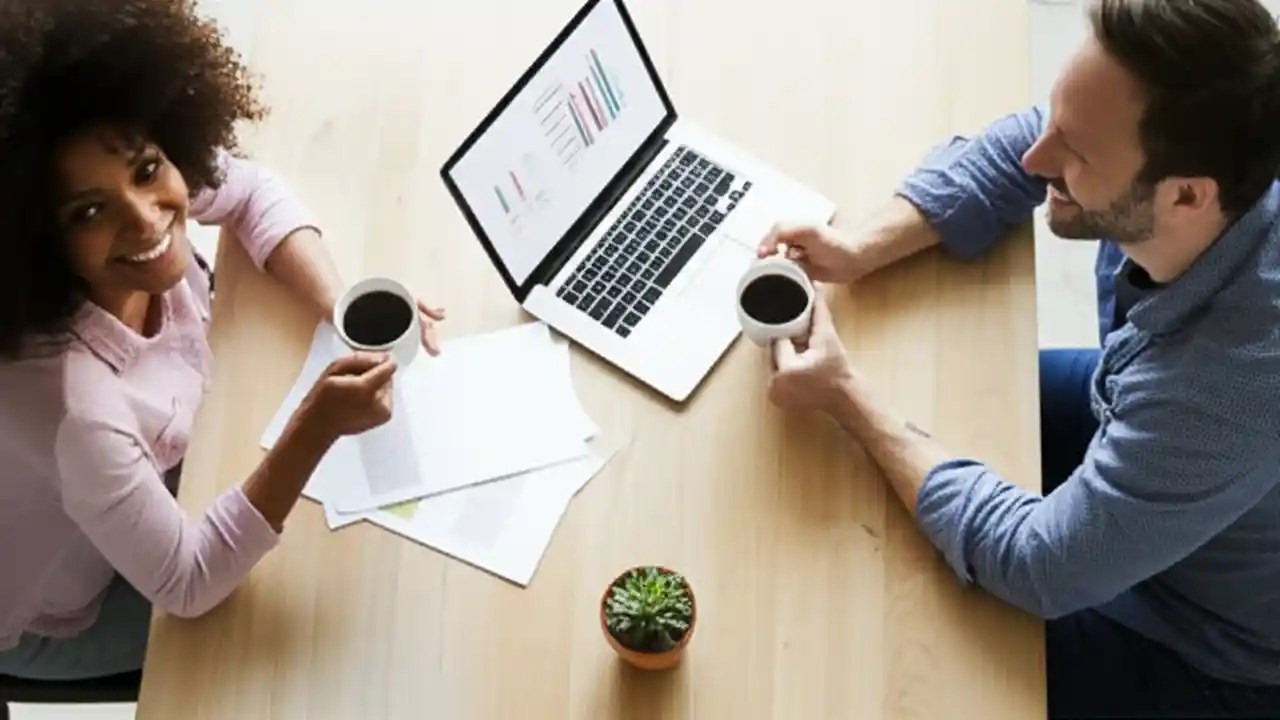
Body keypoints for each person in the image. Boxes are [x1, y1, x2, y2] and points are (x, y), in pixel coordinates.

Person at [760, 0, 1280, 717]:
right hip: (1141, 411)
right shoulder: (1209, 146)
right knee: (938, 404)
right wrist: (859, 249)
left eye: (1075, 154)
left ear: (1187, 195)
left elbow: (1039, 566)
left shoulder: (1223, 389)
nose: (1039, 160)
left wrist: (847, 394)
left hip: (1209, 649)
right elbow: (1023, 148)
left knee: (902, 650)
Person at [0, 0, 445, 681]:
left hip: (144, 477)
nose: (147, 219)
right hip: (65, 612)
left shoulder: (142, 189)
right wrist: (312, 429)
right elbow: (188, 582)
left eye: (148, 170)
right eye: (89, 211)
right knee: (333, 635)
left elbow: (249, 190)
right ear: (34, 234)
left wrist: (343, 307)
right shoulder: (75, 408)